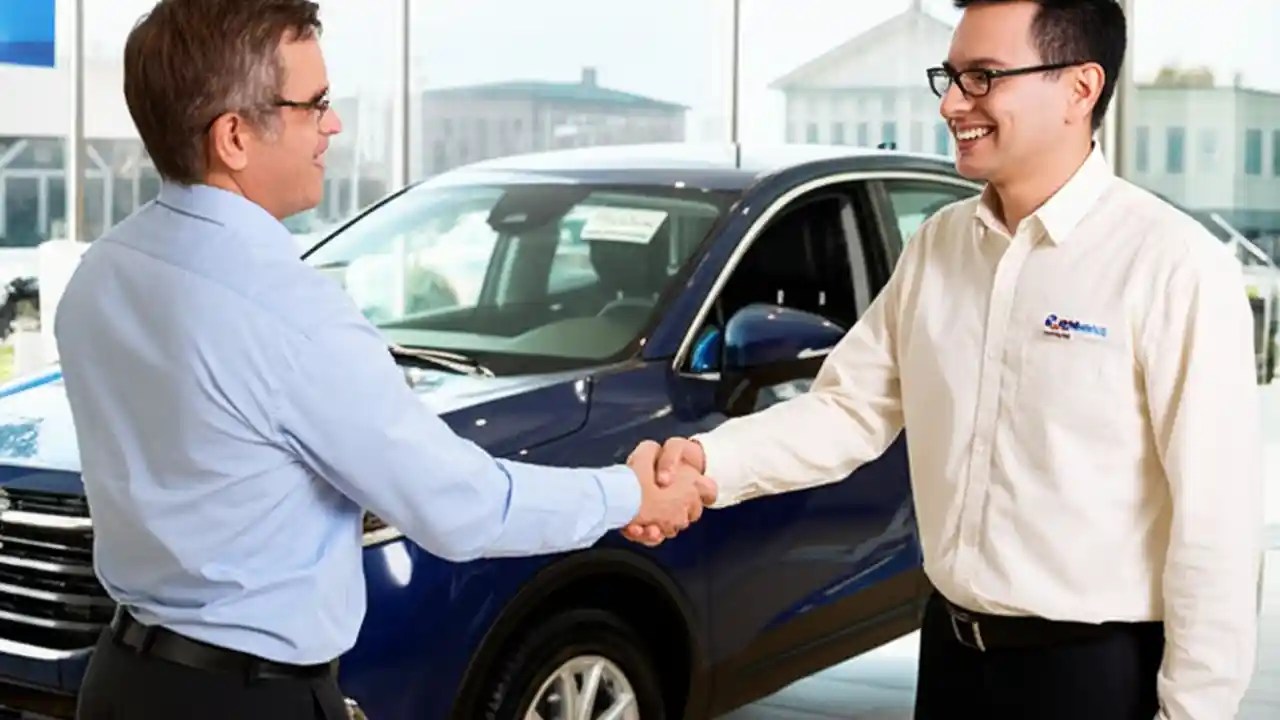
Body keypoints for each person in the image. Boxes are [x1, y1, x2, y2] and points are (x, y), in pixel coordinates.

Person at [53, 2, 711, 718]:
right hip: (246, 699)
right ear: (234, 136)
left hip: (121, 682)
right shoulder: (289, 313)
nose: (332, 126)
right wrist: (630, 495)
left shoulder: (102, 274)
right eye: (314, 105)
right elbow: (458, 507)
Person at [625, 1, 1264, 718]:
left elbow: (1217, 526)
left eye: (984, 77)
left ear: (1080, 88)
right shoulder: (939, 246)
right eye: (952, 77)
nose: (954, 104)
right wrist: (707, 466)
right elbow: (847, 411)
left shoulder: (1174, 267)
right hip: (953, 657)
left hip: (1095, 676)